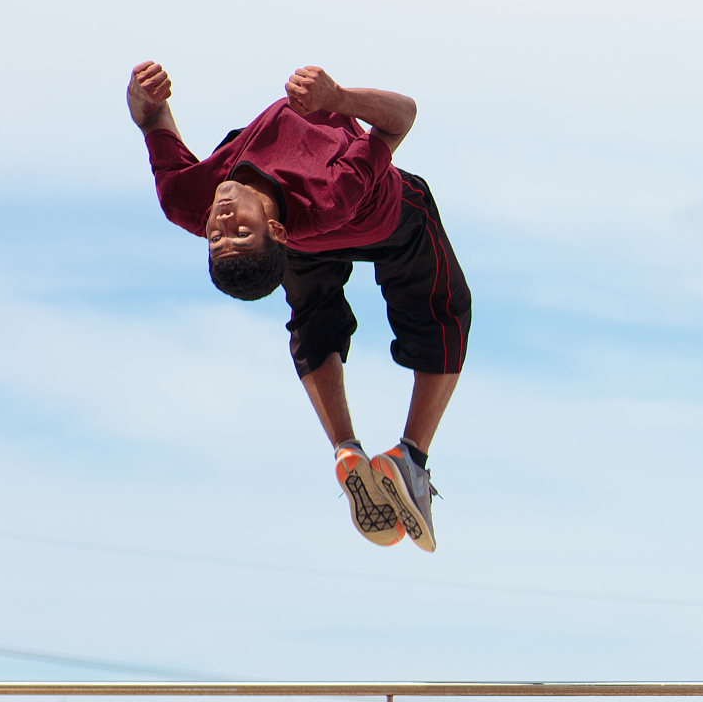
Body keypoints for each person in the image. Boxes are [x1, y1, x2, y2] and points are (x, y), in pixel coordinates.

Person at [126, 61, 470, 552]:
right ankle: (411, 458)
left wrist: (142, 94)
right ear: (275, 231)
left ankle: (344, 448)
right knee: (442, 311)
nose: (222, 221)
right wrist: (339, 98)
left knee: (312, 314)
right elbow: (403, 116)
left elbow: (150, 118)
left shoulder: (187, 199)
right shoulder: (333, 192)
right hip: (379, 218)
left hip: (306, 241)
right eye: (240, 231)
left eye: (217, 236)